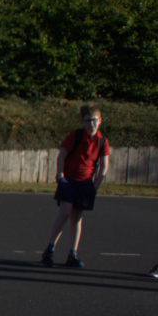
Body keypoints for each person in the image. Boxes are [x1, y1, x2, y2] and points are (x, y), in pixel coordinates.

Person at [40, 104, 111, 269]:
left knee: (77, 217)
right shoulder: (75, 136)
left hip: (85, 183)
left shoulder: (102, 141)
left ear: (100, 121)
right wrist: (60, 174)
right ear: (83, 122)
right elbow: (62, 154)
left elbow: (104, 165)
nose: (91, 124)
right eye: (87, 121)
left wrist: (96, 185)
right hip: (70, 181)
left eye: (94, 120)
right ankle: (50, 248)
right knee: (64, 212)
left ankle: (72, 253)